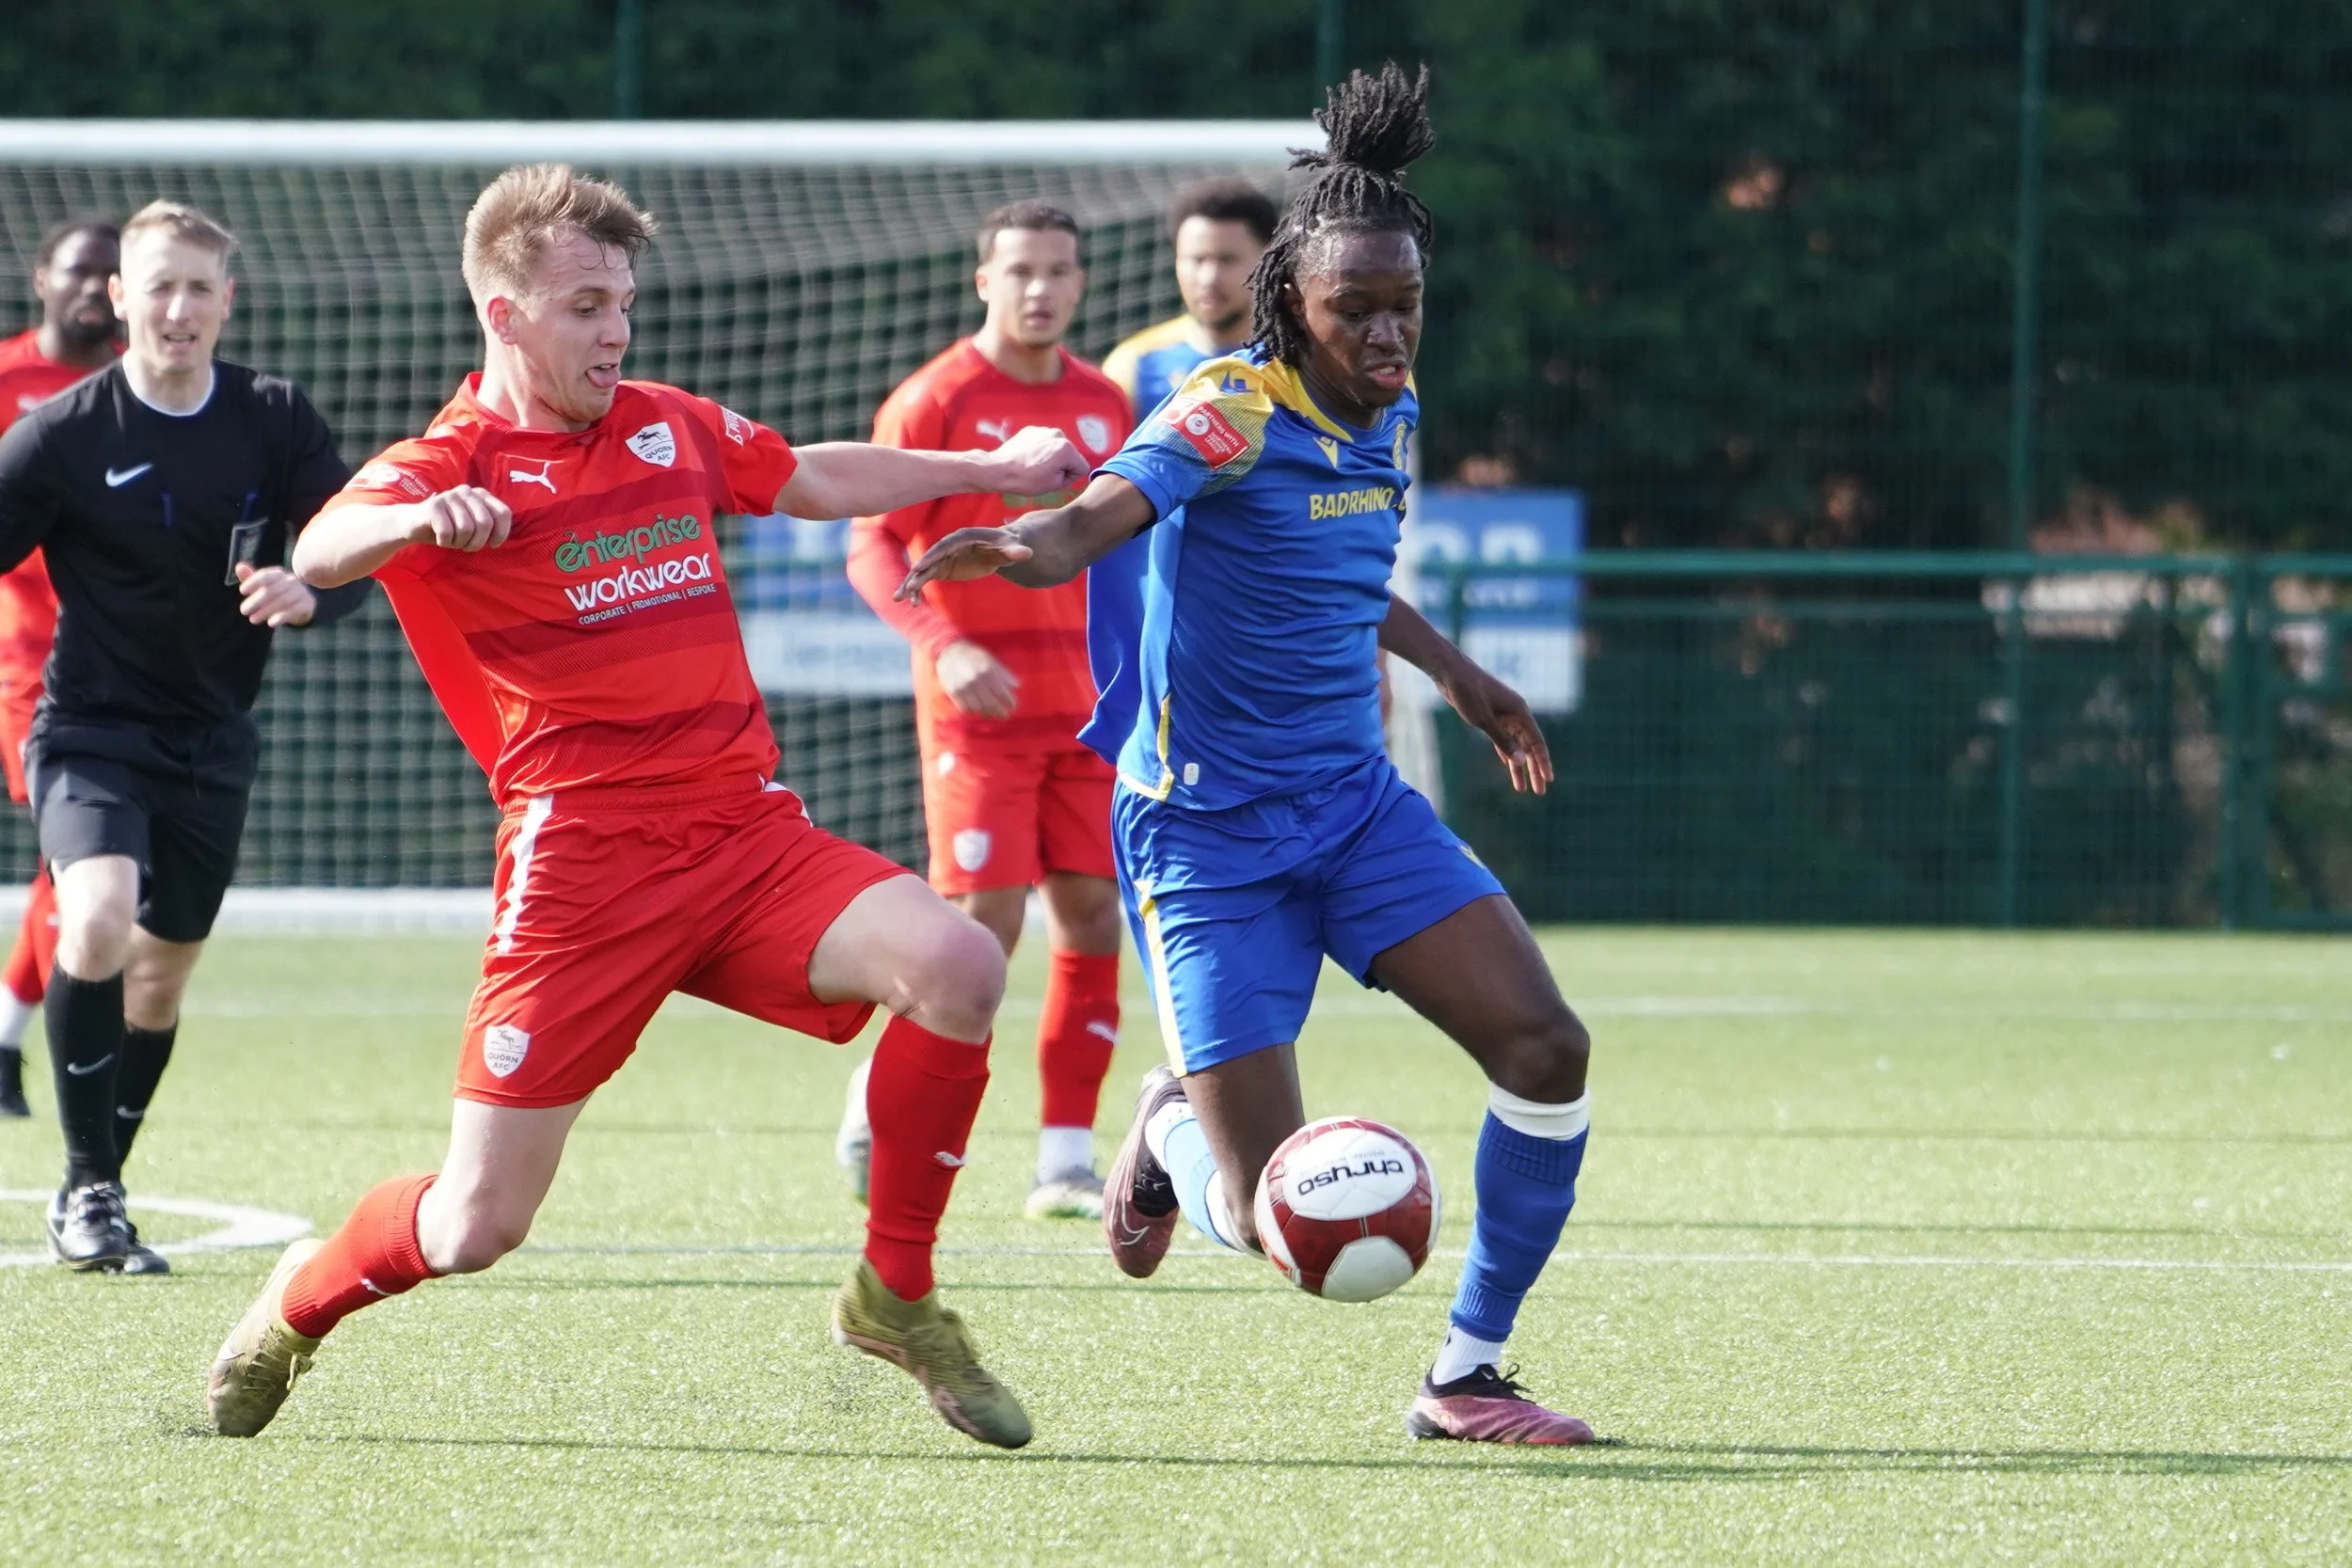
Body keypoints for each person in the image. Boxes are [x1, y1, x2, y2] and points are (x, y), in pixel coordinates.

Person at [206, 164, 1088, 1450]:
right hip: (583, 872)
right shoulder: (448, 459)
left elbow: (808, 476)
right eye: (583, 307)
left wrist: (991, 469)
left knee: (959, 961)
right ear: (505, 314)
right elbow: (330, 545)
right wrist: (412, 522)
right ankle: (298, 1298)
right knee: (472, 1225)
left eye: (622, 302)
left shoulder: (663, 421)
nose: (615, 331)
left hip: (741, 835)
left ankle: (895, 1292)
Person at [900, 65, 1600, 1446]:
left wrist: (1462, 674)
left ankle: (1467, 1373)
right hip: (1206, 837)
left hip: (1353, 808)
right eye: (1360, 308)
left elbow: (1343, 573)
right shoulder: (1228, 406)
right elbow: (1109, 510)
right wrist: (1025, 547)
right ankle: (1165, 1136)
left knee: (1546, 1043)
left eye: (1408, 303)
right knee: (1288, 1225)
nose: (1392, 331)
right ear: (1297, 303)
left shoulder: (1391, 411)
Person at [0, 201, 371, 1274]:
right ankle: (89, 1190)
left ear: (226, 301)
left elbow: (351, 547)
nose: (177, 308)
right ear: (120, 299)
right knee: (98, 912)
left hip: (213, 739)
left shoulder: (271, 414)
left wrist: (312, 590)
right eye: (156, 286)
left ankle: (96, 1183)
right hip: (87, 729)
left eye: (198, 287)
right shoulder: (64, 432)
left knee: (159, 980)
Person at [837, 201, 1134, 1222]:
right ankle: (881, 1092)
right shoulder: (937, 399)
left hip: (1090, 713)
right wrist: (944, 643)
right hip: (979, 711)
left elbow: (1125, 542)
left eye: (1059, 270)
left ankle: (1064, 1157)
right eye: (1020, 271)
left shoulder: (1105, 402)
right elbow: (870, 545)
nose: (1040, 288)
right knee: (984, 928)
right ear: (984, 282)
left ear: (1081, 283)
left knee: (1096, 913)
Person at [1086, 182, 1280, 812]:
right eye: (1193, 258)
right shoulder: (1134, 366)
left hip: (1281, 632)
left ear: (1269, 257)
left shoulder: (1304, 365)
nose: (1207, 276)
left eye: (1226, 259)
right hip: (1172, 642)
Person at [0, 218, 120, 1119]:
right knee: (74, 857)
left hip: (132, 666)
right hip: (29, 667)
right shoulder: (7, 382)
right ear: (42, 278)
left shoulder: (141, 385)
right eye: (79, 271)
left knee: (73, 862)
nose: (94, 288)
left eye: (109, 275)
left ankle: (3, 1040)